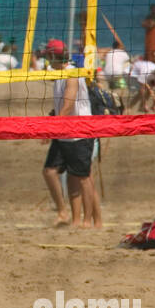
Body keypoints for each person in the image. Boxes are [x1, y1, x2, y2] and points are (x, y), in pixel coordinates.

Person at [42, 39, 100, 228]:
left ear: (52, 56)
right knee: (51, 171)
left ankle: (88, 221)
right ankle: (66, 213)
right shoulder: (58, 73)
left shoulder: (72, 73)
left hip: (79, 131)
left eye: (47, 55)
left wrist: (51, 128)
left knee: (83, 177)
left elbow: (68, 104)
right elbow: (59, 104)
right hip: (63, 131)